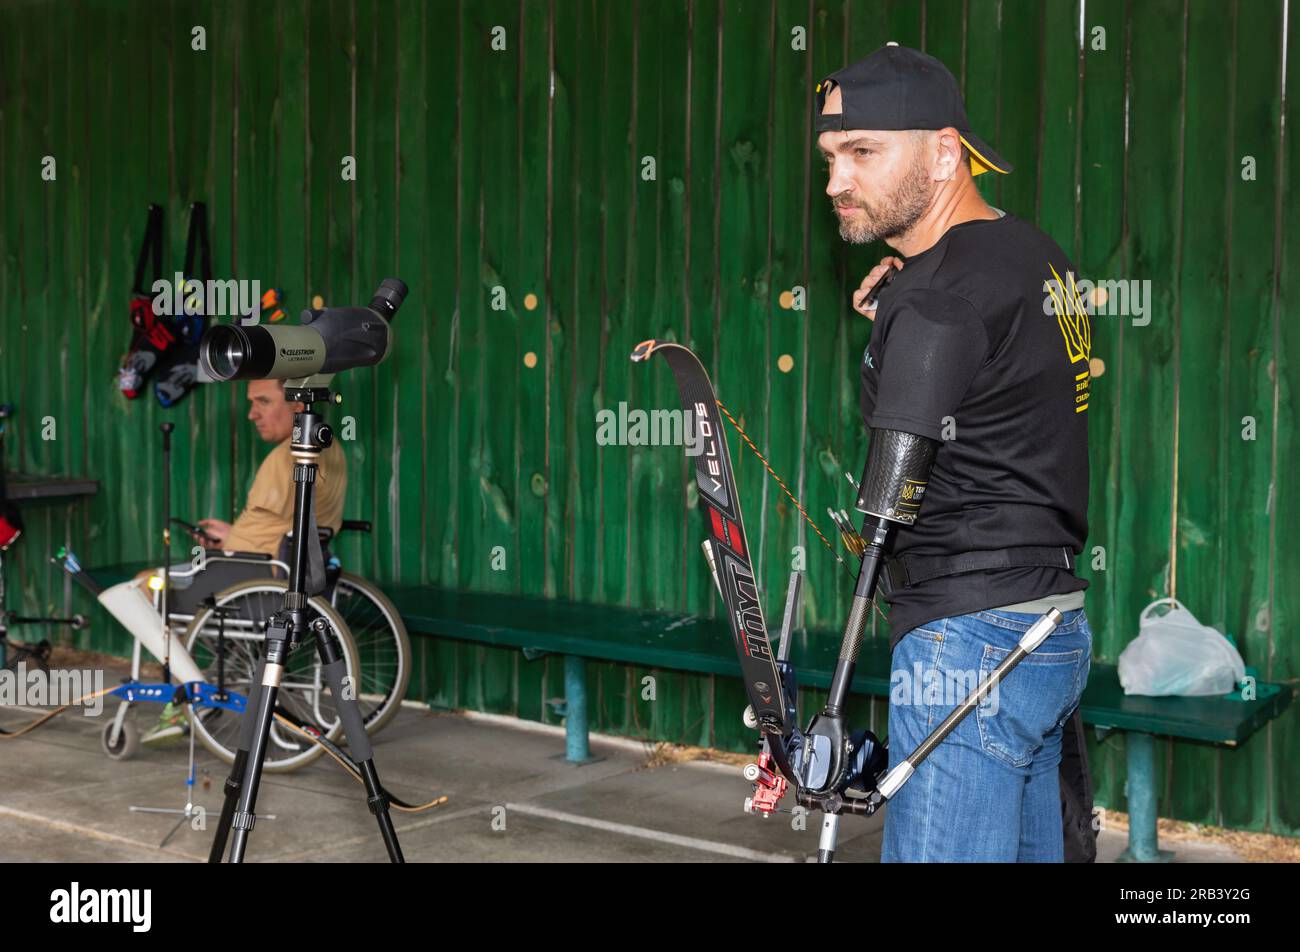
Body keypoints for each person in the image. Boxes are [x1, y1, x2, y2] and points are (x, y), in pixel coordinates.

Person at [815, 43, 1095, 861]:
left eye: (864, 152)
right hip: (1051, 629)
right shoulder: (1035, 256)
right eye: (831, 156)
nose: (837, 180)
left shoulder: (934, 298)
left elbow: (890, 498)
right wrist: (900, 329)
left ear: (944, 151)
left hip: (962, 645)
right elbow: (1001, 405)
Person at [136, 377, 348, 742]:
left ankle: (186, 698)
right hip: (297, 569)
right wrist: (231, 533)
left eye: (263, 402)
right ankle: (199, 688)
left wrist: (225, 545)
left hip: (261, 580)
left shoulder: (286, 457)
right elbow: (283, 522)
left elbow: (264, 534)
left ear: (298, 404)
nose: (252, 414)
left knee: (144, 586)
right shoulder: (327, 447)